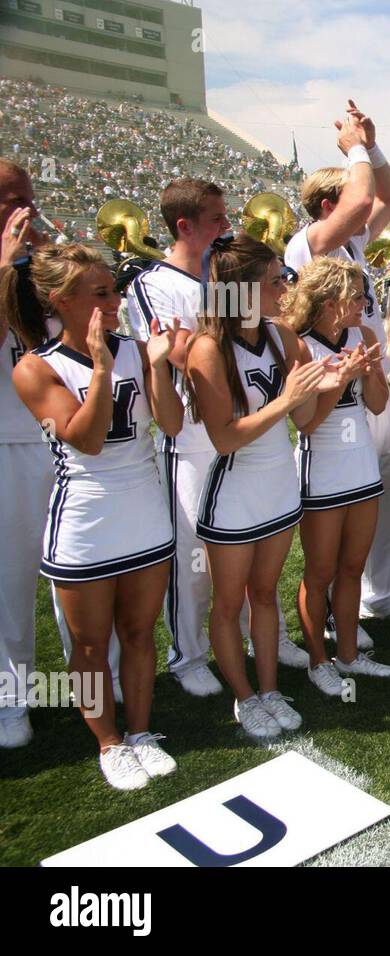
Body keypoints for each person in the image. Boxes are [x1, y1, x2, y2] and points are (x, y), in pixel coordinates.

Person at [10, 244, 182, 788]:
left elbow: (173, 425)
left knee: (138, 631)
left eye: (116, 290)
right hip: (85, 518)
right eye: (101, 293)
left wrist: (156, 367)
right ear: (61, 300)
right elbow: (85, 439)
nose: (115, 301)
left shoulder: (136, 347)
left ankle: (142, 731)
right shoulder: (35, 368)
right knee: (88, 644)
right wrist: (104, 368)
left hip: (145, 508)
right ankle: (108, 742)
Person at [186, 234, 331, 740]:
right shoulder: (207, 349)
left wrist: (318, 385)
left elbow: (307, 420)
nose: (285, 289)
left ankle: (269, 689)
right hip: (234, 495)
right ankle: (243, 698)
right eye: (275, 281)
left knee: (265, 594)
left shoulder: (281, 336)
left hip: (278, 488)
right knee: (228, 604)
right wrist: (286, 398)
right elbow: (224, 439)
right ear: (242, 289)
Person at [283, 100, 390, 624]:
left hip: (370, 384)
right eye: (346, 195)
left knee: (381, 498)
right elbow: (363, 202)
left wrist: (372, 145)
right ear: (326, 205)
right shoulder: (309, 244)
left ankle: (379, 596)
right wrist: (354, 147)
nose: (361, 209)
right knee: (341, 514)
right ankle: (335, 617)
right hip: (337, 396)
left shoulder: (352, 246)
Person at [124, 178, 246, 694]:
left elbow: (251, 336)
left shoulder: (221, 273)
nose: (226, 226)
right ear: (184, 225)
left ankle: (255, 636)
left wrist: (210, 339)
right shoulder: (150, 283)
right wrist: (213, 340)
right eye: (217, 219)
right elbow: (177, 353)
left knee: (248, 541)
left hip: (240, 427)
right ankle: (188, 654)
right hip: (190, 436)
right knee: (194, 554)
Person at [286, 257, 390, 697]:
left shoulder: (364, 335)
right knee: (319, 571)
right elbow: (306, 423)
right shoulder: (300, 346)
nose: (364, 304)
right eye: (357, 297)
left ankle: (350, 653)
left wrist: (368, 373)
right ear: (330, 301)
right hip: (322, 468)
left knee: (353, 565)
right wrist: (341, 379)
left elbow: (375, 404)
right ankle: (319, 660)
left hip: (361, 463)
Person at [0, 160, 55, 749]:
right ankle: (11, 699)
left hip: (64, 435)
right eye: (12, 200)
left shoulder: (30, 263)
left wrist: (45, 270)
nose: (25, 210)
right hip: (7, 441)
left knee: (81, 571)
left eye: (28, 199)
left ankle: (103, 679)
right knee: (10, 582)